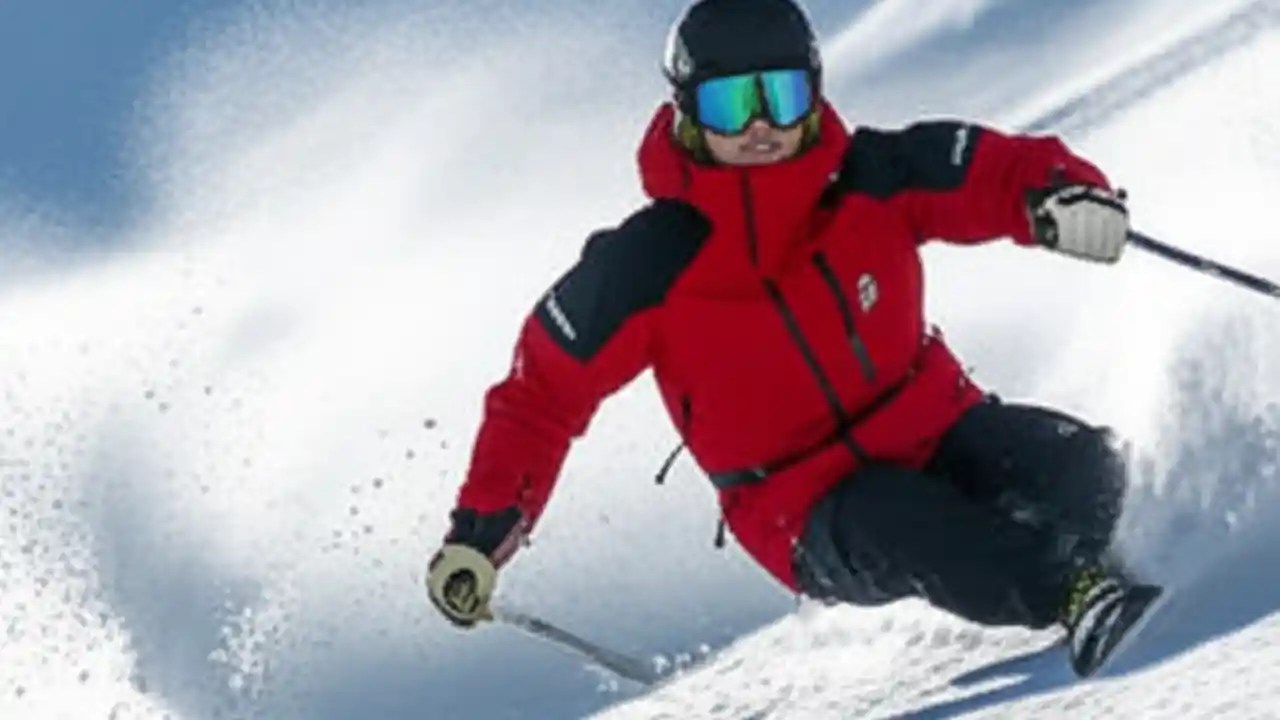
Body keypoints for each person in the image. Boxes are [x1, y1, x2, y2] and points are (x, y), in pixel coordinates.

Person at [426, 0, 1161, 678]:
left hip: (938, 422)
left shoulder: (869, 178)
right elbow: (541, 394)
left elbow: (994, 172)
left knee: (1086, 468)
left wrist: (1065, 196)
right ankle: (1076, 594)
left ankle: (1131, 559)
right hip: (806, 505)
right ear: (686, 113)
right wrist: (482, 530)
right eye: (729, 103)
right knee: (914, 525)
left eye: (779, 95)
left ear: (812, 93)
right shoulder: (647, 263)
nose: (758, 126)